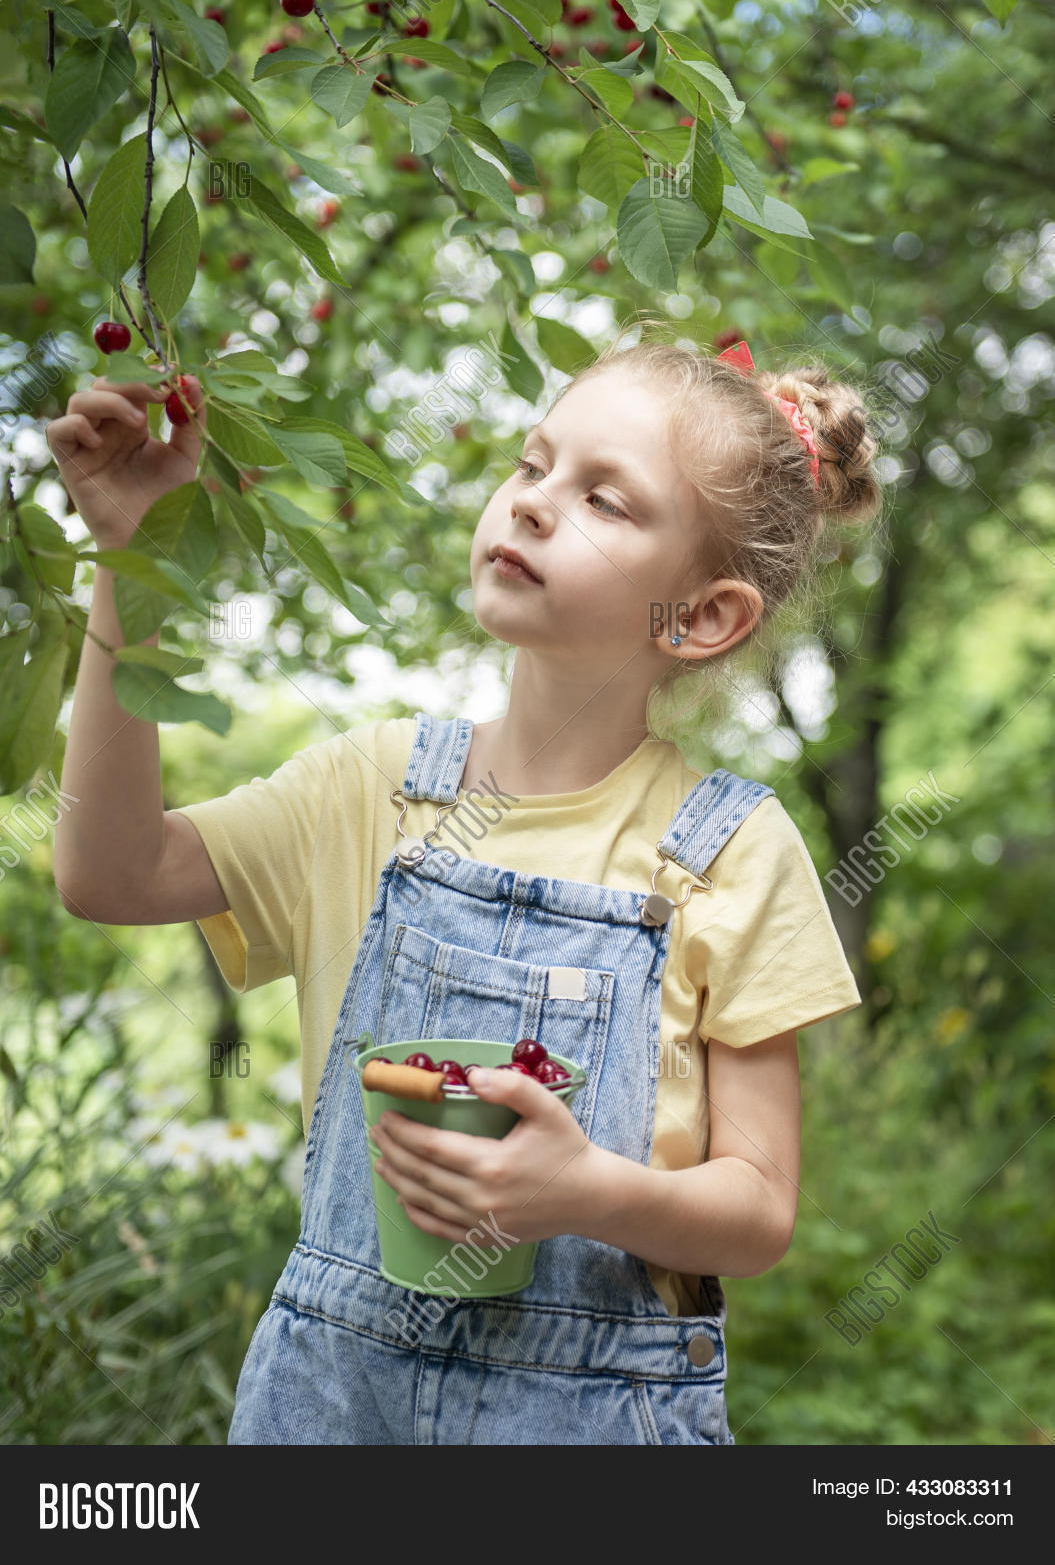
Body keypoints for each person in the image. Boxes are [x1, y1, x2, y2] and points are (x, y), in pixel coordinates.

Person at [47, 322, 881, 1445]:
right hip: (327, 1409)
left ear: (699, 616)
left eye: (605, 500)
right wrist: (131, 568)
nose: (533, 503)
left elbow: (758, 1210)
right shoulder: (373, 785)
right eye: (532, 465)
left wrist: (584, 1190)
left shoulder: (728, 849)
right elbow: (111, 872)